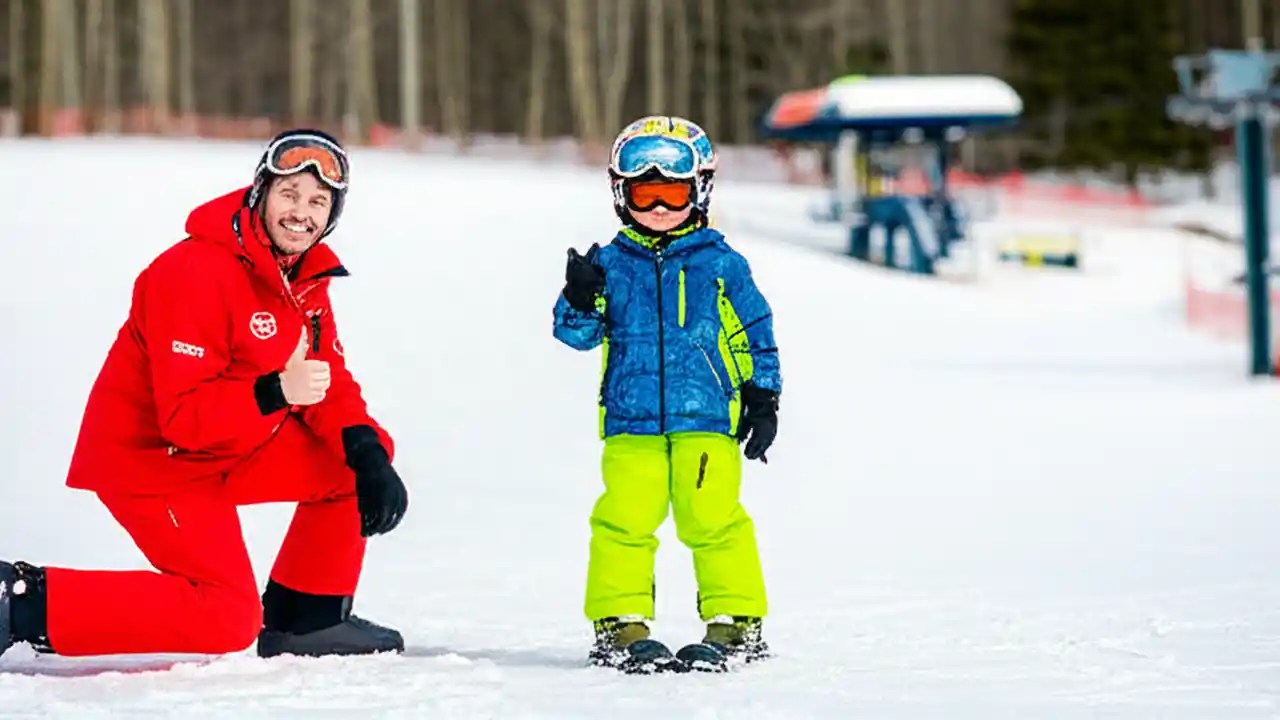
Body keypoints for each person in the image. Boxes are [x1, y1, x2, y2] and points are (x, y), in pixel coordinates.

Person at [0, 129, 409, 660]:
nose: (300, 213)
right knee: (228, 617)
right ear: (260, 193)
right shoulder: (196, 271)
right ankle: (20, 604)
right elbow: (183, 420)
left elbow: (325, 377)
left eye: (317, 201)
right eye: (289, 194)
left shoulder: (301, 276)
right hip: (155, 463)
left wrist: (366, 448)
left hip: (231, 445)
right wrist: (276, 391)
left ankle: (307, 620)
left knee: (353, 459)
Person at [552, 116, 781, 669]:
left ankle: (736, 620)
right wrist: (580, 296)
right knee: (623, 519)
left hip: (707, 420)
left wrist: (763, 397)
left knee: (713, 517)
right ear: (620, 195)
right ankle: (620, 622)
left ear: (698, 192)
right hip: (632, 422)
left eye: (671, 194)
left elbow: (754, 333)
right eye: (644, 194)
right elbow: (575, 336)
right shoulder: (609, 263)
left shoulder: (721, 264)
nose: (657, 207)